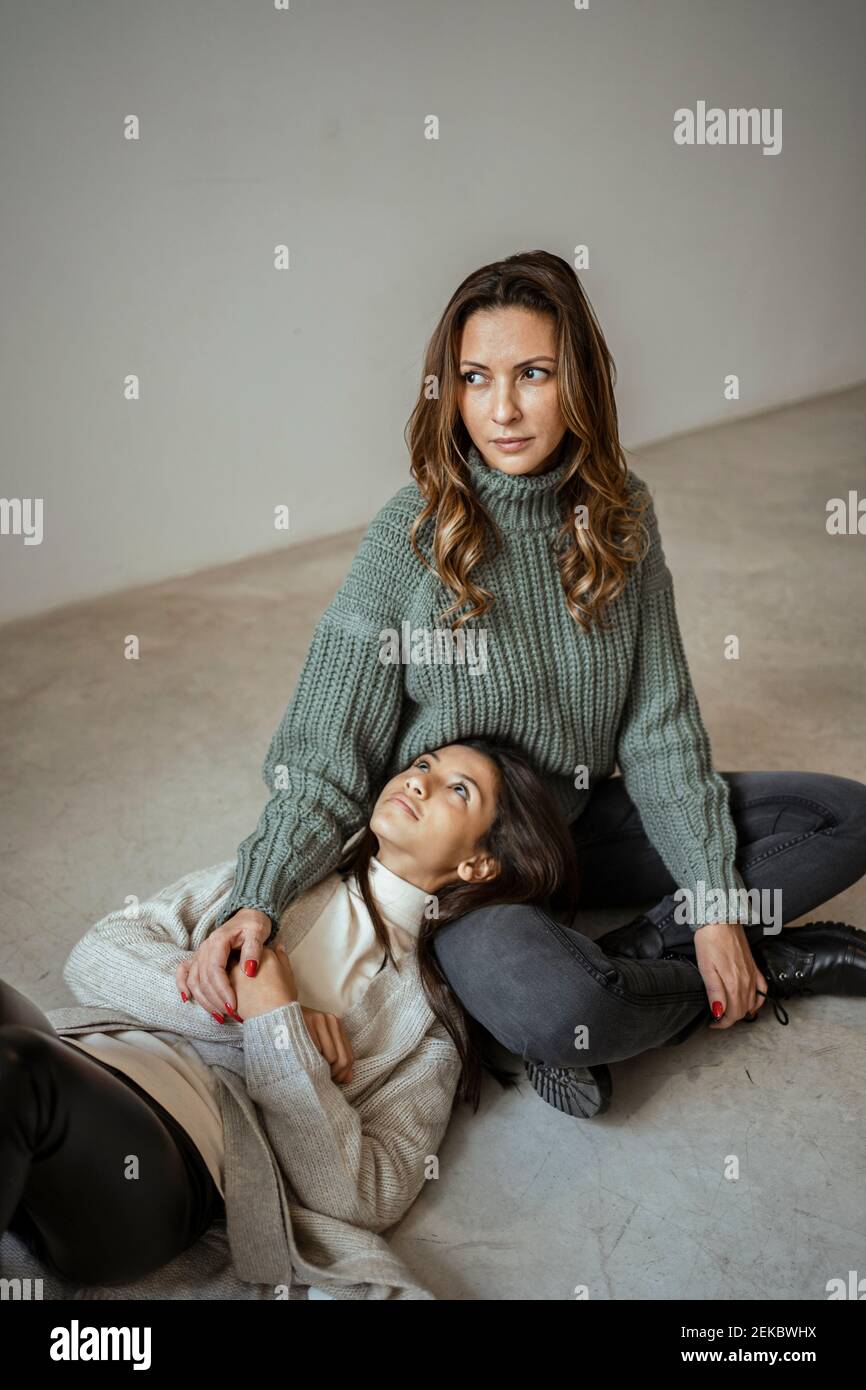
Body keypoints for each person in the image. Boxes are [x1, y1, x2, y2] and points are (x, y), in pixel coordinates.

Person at [183, 248, 866, 1119]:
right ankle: (760, 967)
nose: (501, 409)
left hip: (580, 823)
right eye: (475, 378)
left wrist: (715, 905)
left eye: (533, 374)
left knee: (843, 817)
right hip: (470, 869)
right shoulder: (411, 537)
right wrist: (261, 899)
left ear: (576, 381)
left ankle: (653, 951)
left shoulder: (621, 515)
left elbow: (658, 729)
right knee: (559, 1010)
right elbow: (326, 755)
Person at [1, 740, 585, 1297]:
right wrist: (264, 1012)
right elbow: (98, 955)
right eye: (422, 764)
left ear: (481, 864)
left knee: (16, 1070)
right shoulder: (274, 881)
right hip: (84, 1052)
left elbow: (366, 1196)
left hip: (159, 1165)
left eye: (457, 789)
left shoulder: (427, 1024)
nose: (418, 781)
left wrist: (279, 1037)